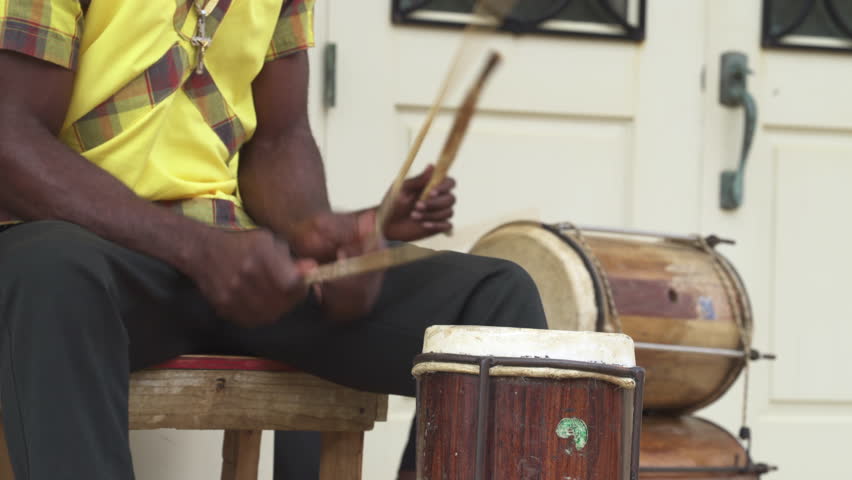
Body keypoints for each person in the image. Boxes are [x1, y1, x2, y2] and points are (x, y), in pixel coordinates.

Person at [0, 0, 547, 478]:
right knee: (48, 271)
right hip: (98, 259)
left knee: (495, 303)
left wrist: (322, 234)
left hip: (234, 265)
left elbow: (280, 139)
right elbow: (11, 139)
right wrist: (195, 248)